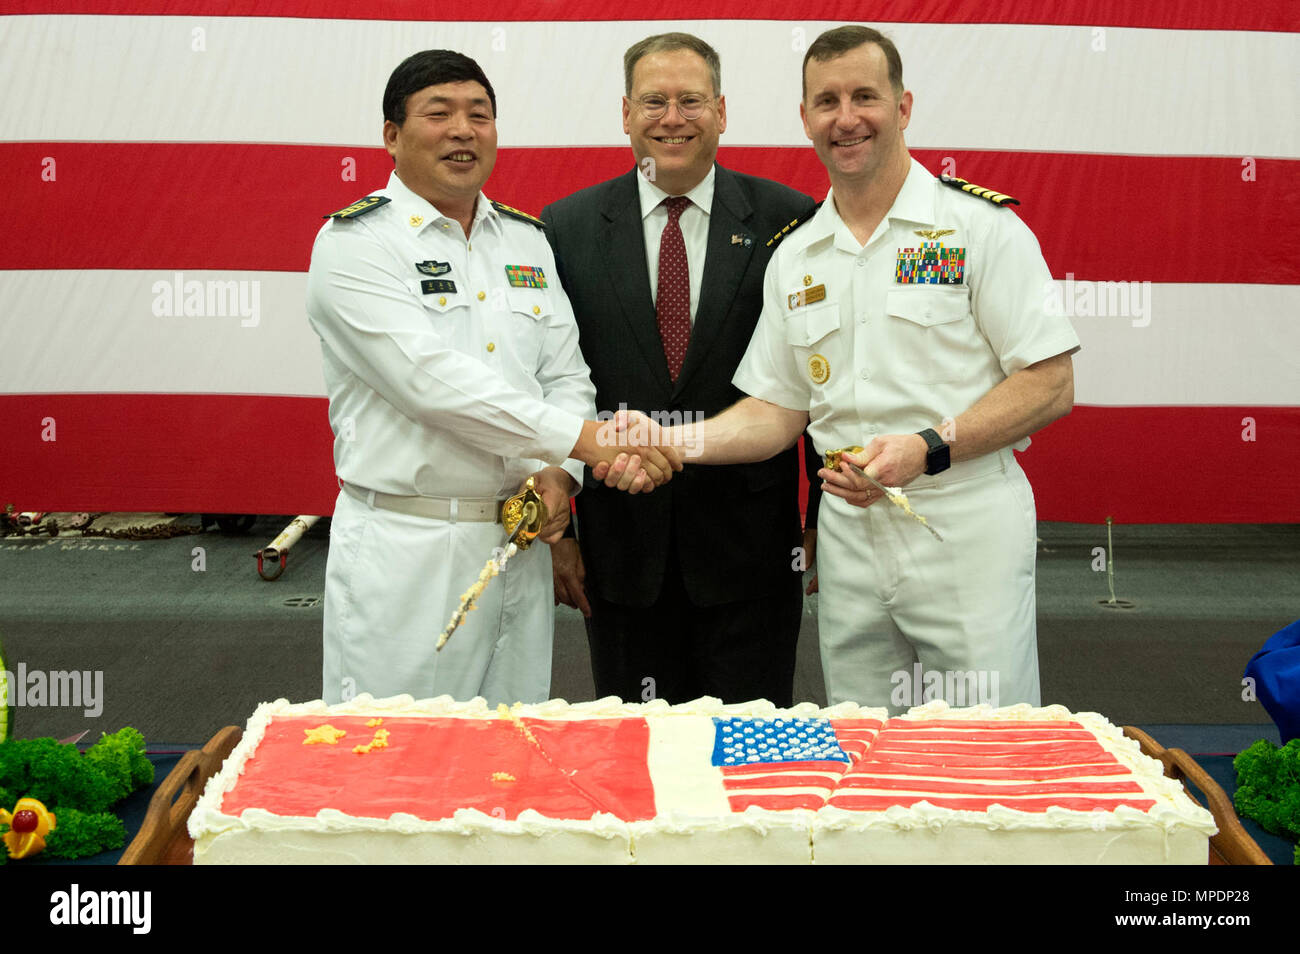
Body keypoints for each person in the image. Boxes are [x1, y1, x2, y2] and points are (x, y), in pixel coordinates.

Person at [605, 26, 1080, 711]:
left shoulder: (979, 228)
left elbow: (1051, 382)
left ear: (904, 106)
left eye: (865, 96)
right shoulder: (796, 254)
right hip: (849, 535)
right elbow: (776, 411)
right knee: (864, 745)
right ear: (805, 119)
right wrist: (667, 440)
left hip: (961, 521)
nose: (846, 117)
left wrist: (928, 448)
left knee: (983, 743)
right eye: (826, 101)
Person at [306, 50, 679, 708]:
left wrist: (563, 472)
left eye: (480, 115)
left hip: (521, 544)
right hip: (409, 548)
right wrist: (588, 441)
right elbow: (431, 385)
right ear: (391, 135)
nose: (463, 130)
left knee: (512, 756)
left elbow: (566, 374)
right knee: (400, 766)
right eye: (439, 114)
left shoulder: (526, 241)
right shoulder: (355, 245)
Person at [542, 33, 818, 707]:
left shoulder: (790, 220)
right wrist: (562, 537)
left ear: (721, 112)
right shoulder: (566, 227)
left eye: (691, 100)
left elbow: (818, 378)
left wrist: (826, 519)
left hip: (751, 553)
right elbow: (553, 383)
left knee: (751, 758)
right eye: (655, 101)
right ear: (626, 114)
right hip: (621, 554)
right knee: (636, 764)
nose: (673, 118)